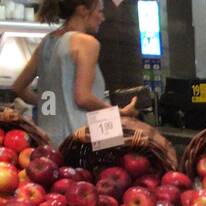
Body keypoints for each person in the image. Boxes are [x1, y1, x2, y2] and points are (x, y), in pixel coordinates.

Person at [9, 0, 137, 146]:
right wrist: (118, 112)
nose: (103, 18)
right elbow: (83, 98)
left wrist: (52, 103)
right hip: (81, 143)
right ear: (82, 10)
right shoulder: (87, 42)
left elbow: (18, 87)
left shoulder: (47, 41)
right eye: (100, 11)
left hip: (48, 142)